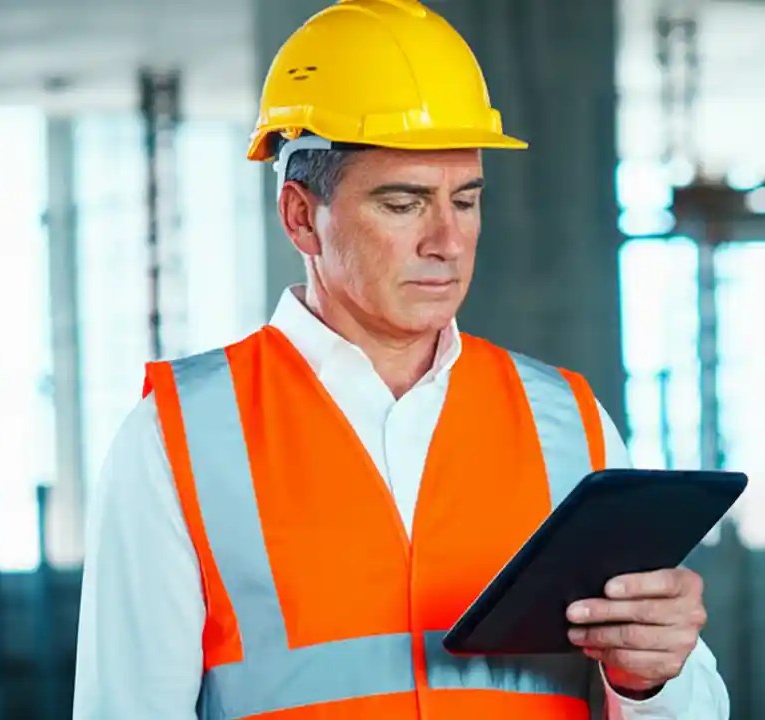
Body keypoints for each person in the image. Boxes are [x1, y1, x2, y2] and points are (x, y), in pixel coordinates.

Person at [73, 0, 730, 717]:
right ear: (301, 217)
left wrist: (649, 679)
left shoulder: (568, 422)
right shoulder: (177, 440)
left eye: (466, 201)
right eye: (403, 203)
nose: (446, 240)